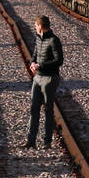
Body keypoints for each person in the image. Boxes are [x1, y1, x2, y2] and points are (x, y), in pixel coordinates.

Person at [26, 15, 64, 149]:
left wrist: (40, 65)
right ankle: (31, 141)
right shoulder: (38, 39)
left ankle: (47, 141)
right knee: (34, 109)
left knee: (48, 110)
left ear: (40, 26)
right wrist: (32, 63)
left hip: (49, 79)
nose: (35, 28)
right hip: (37, 78)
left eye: (36, 26)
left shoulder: (54, 40)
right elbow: (35, 55)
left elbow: (59, 61)